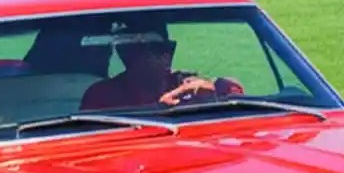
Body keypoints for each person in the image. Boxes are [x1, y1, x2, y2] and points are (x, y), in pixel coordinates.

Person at [79, 25, 243, 111]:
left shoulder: (185, 85)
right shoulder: (102, 95)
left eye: (167, 48)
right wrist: (159, 109)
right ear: (126, 54)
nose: (165, 57)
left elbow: (234, 93)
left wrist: (210, 92)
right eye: (154, 50)